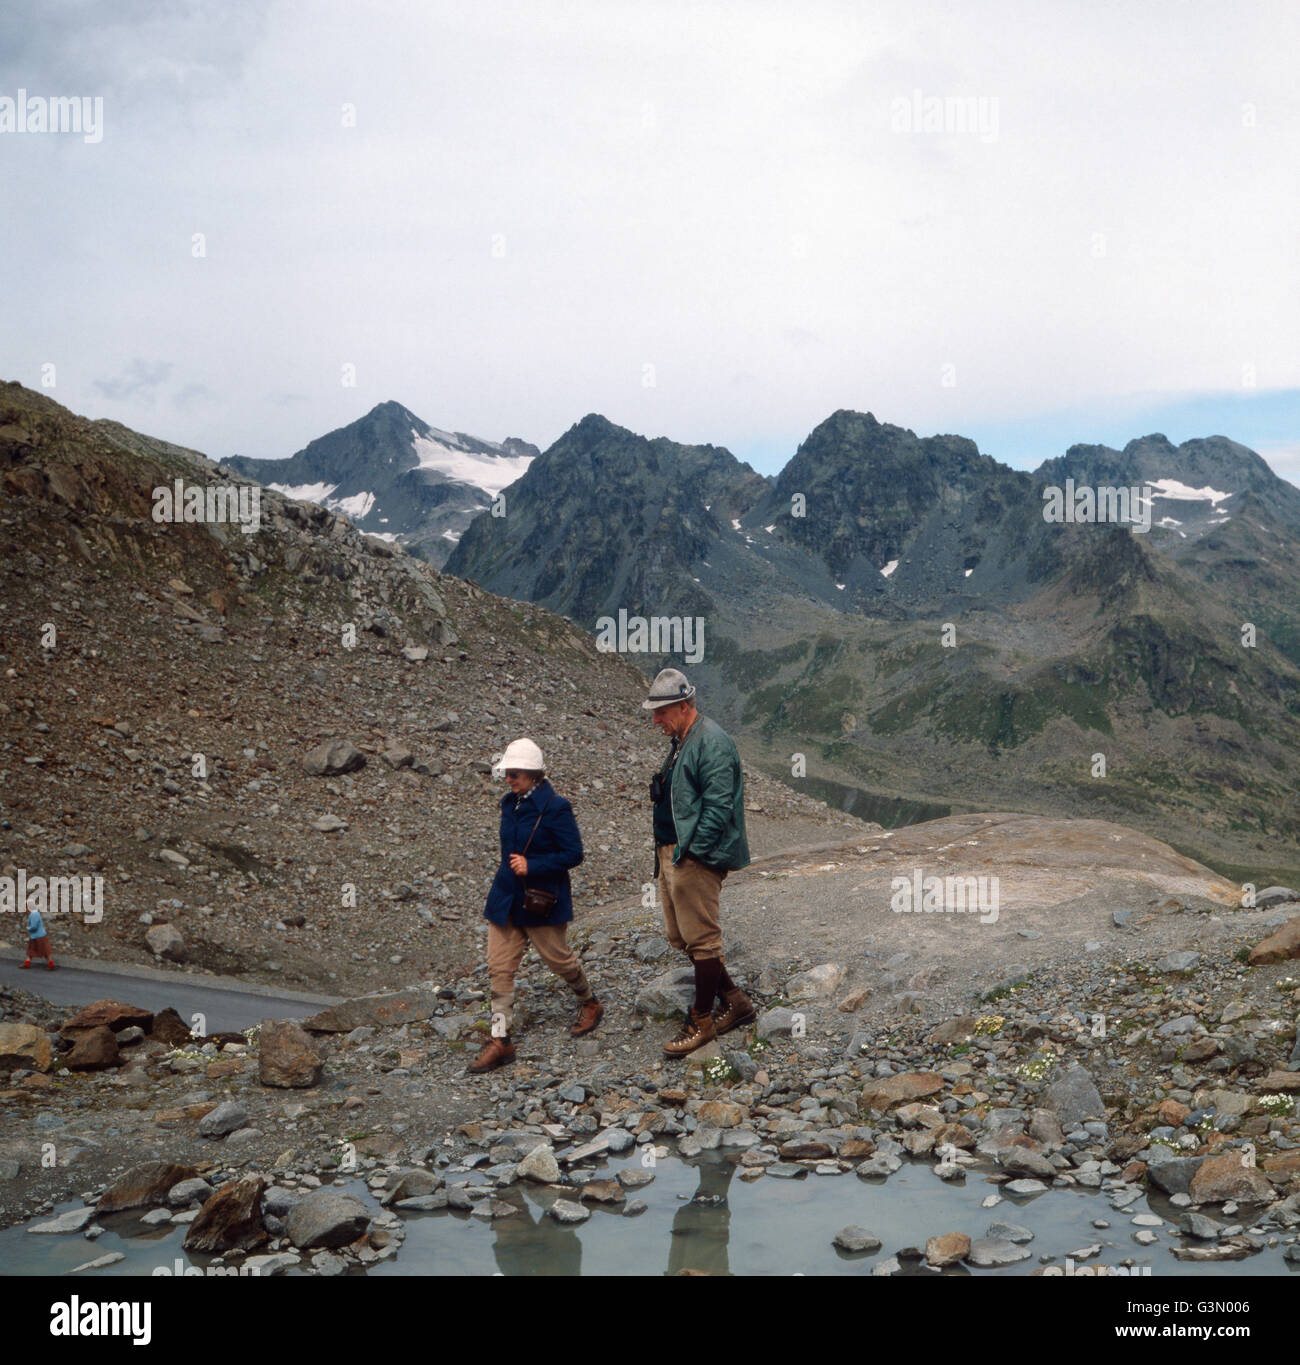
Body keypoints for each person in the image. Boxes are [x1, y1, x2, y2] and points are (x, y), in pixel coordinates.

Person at [469, 738, 602, 1074]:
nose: (508, 779)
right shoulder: (508, 803)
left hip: (541, 901)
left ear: (532, 774)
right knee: (499, 968)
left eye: (514, 773)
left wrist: (534, 866)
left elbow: (573, 855)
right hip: (505, 899)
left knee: (560, 960)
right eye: (507, 773)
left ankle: (589, 1002)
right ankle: (501, 1039)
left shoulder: (556, 807)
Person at [644, 668, 755, 1056]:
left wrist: (693, 852)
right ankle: (736, 1002)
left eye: (661, 712)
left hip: (693, 857)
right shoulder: (681, 739)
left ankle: (702, 1020)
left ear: (685, 705)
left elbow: (719, 805)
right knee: (683, 938)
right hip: (674, 853)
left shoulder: (713, 742)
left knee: (703, 941)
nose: (656, 720)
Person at [21, 900, 56, 971]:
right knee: (31, 950)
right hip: (35, 936)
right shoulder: (34, 913)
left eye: (25, 907)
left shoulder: (34, 914)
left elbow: (34, 926)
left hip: (39, 936)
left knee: (44, 951)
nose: (25, 909)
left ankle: (51, 964)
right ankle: (27, 963)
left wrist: (28, 928)